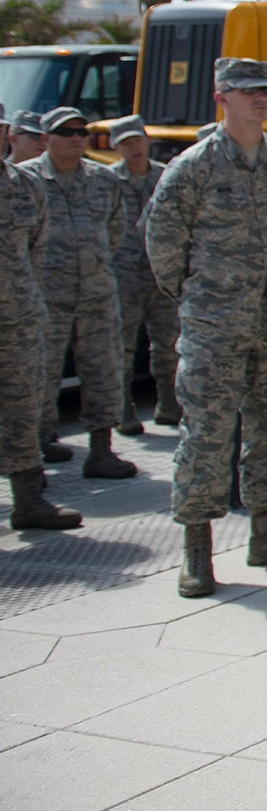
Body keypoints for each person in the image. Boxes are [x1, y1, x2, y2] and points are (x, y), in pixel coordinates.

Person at [147, 59, 267, 598]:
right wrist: (199, 296)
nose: (261, 99)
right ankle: (197, 551)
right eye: (248, 91)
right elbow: (163, 246)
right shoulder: (192, 167)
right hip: (215, 324)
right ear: (221, 97)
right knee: (207, 433)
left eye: (266, 90)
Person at [28, 107, 136, 478]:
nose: (77, 138)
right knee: (38, 374)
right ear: (46, 139)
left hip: (96, 293)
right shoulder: (27, 181)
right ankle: (35, 449)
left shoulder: (104, 180)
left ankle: (101, 451)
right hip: (44, 296)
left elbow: (116, 230)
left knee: (102, 371)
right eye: (66, 132)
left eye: (81, 131)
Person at [2, 142, 80, 531]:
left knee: (23, 406)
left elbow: (38, 245)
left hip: (18, 316)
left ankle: (28, 499)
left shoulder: (24, 184)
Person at [108, 115, 180, 435]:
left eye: (137, 140)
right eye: (125, 143)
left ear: (147, 140)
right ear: (116, 148)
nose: (133, 147)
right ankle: (123, 410)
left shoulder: (166, 177)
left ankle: (168, 404)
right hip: (123, 276)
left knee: (167, 343)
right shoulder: (108, 180)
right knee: (122, 346)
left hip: (160, 274)